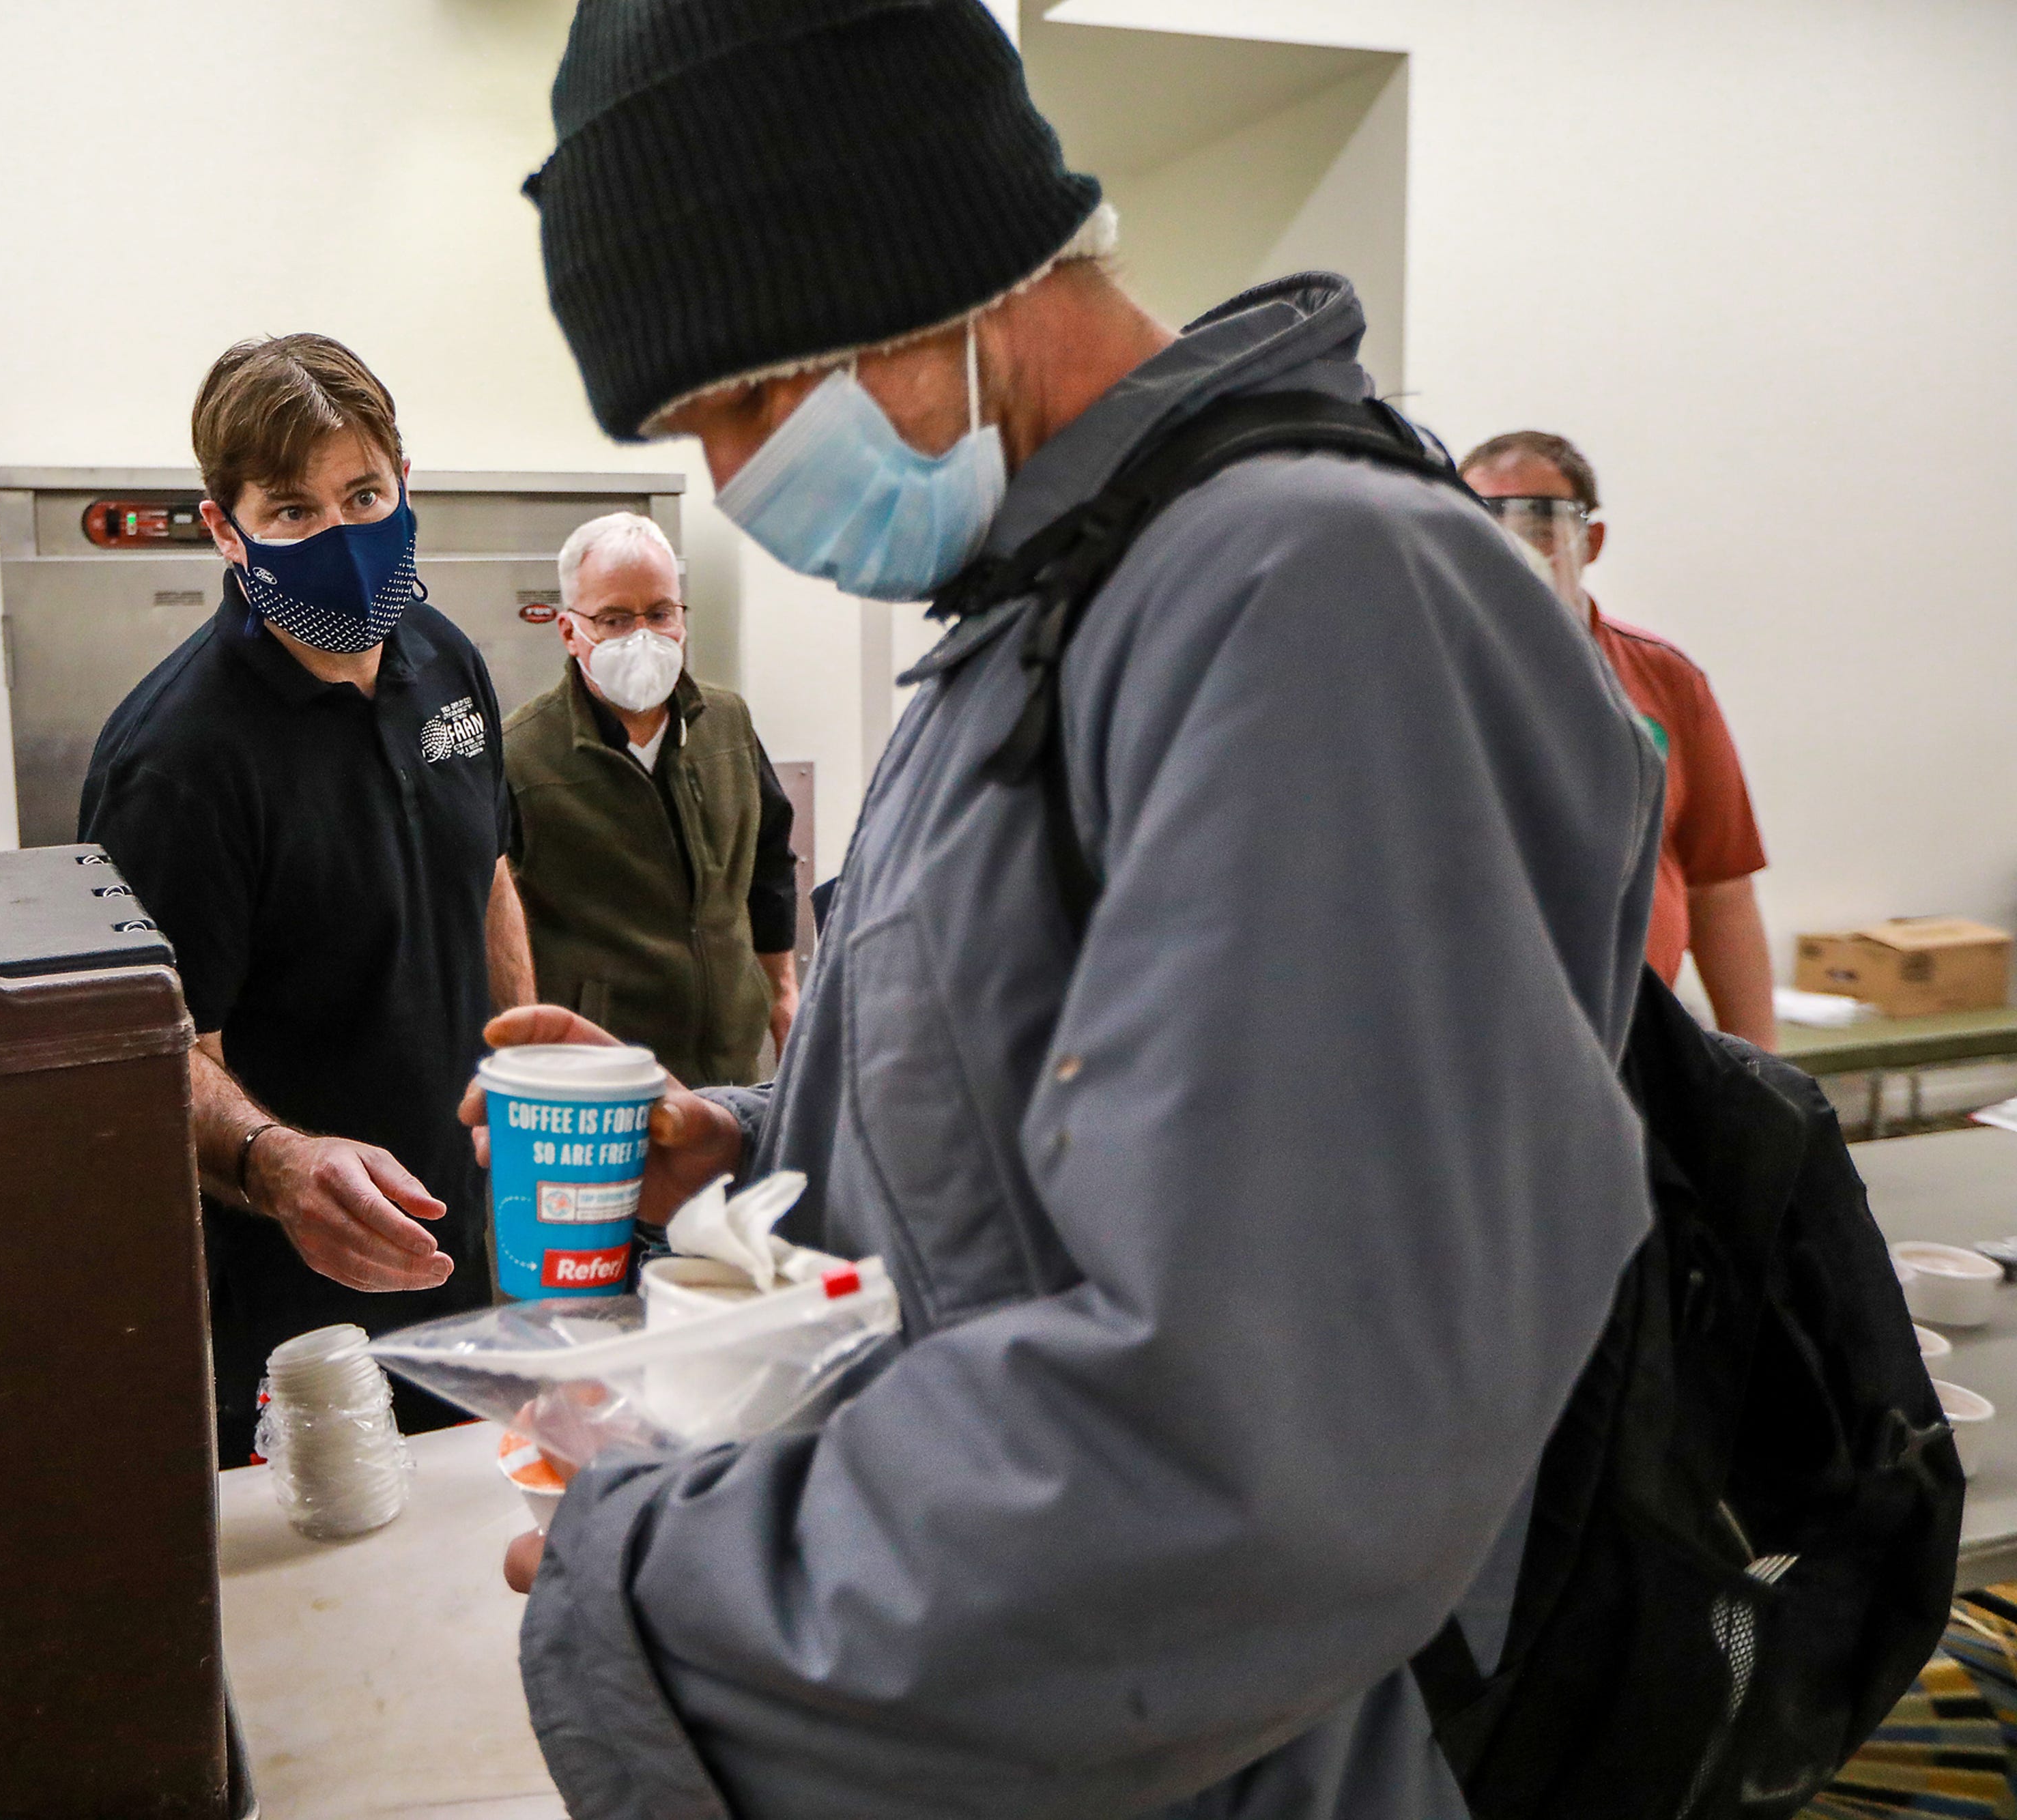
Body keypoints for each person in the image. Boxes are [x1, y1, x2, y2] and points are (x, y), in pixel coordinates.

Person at [463, 4, 1665, 1817]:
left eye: (745, 401)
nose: (728, 487)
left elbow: (1262, 1449)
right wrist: (722, 1152)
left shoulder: (1315, 602)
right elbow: (1014, 1169)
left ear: (930, 276)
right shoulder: (1037, 624)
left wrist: (656, 1583)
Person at [81, 333, 534, 1464]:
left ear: (405, 485)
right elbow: (158, 1046)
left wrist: (520, 1076)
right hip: (305, 1305)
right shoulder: (181, 762)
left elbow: (488, 879)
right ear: (225, 529)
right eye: (292, 511)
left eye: (364, 493)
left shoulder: (446, 661)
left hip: (474, 1248)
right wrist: (285, 1166)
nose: (343, 536)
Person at [1462, 429, 1778, 1048]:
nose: (1510, 547)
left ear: (1591, 541)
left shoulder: (1661, 679)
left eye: (1540, 525)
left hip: (1634, 1036)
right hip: (1487, 1037)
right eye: (1483, 524)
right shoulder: (1431, 675)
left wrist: (1765, 1075)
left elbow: (1721, 883)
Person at [504, 511, 801, 1087]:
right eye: (614, 618)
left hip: (731, 1072)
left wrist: (783, 994)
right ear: (569, 630)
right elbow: (493, 924)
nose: (642, 636)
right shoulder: (522, 757)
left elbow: (770, 865)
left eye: (661, 613)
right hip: (602, 1086)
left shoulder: (728, 725)